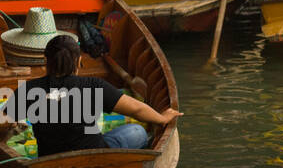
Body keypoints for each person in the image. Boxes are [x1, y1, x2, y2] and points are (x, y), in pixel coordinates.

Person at [24, 35, 182, 156]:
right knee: (137, 132)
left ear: (46, 61)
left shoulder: (29, 89)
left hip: (48, 162)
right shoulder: (93, 86)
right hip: (96, 157)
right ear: (79, 61)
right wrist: (162, 118)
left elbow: (4, 121)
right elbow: (137, 110)